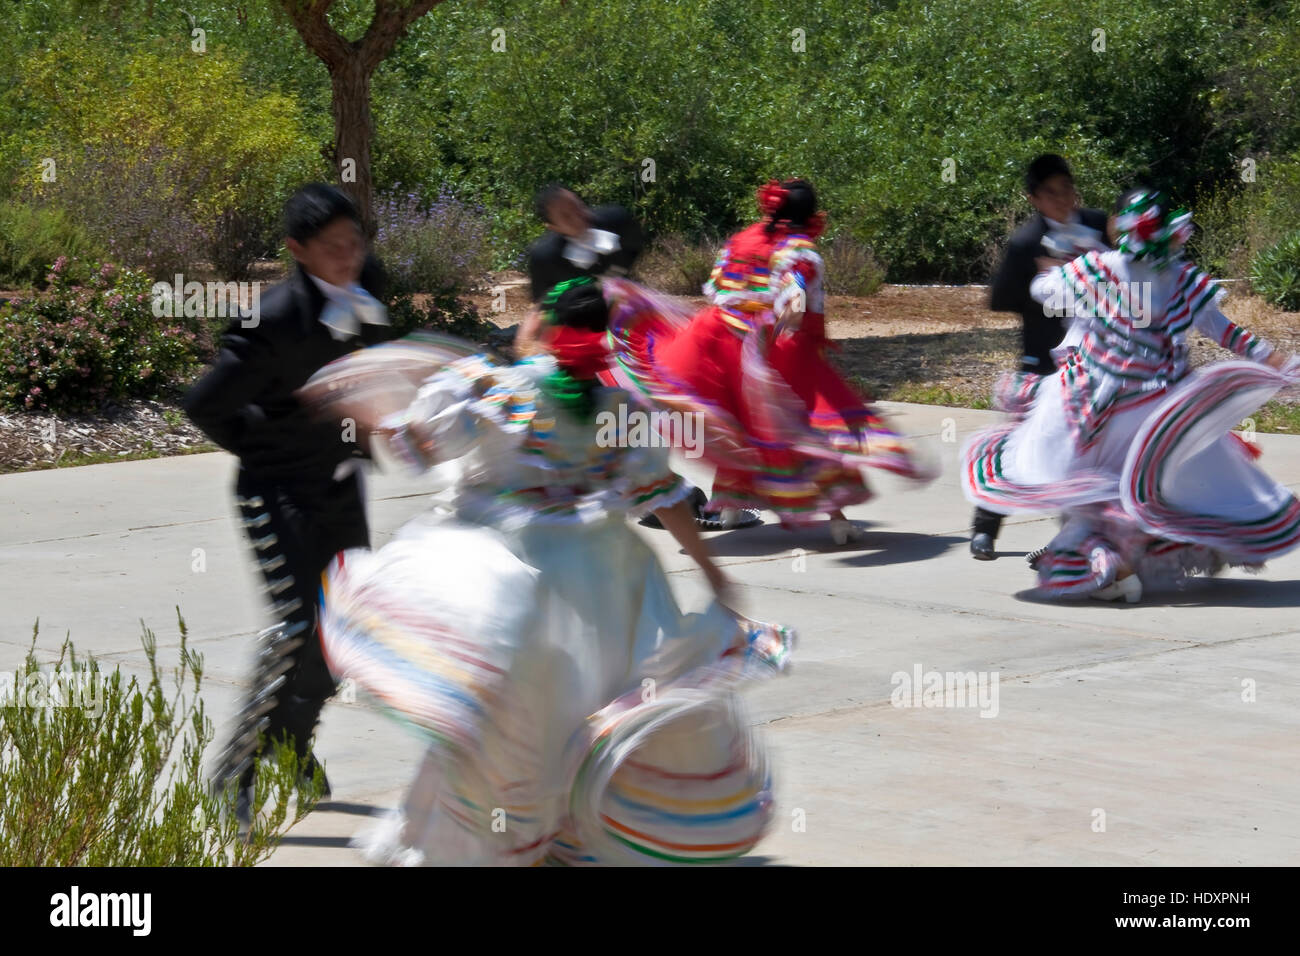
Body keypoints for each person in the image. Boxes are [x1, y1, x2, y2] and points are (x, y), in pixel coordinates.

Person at [298, 277, 792, 865]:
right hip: (612, 582)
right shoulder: (622, 408)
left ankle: (496, 842)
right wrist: (713, 574)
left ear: (545, 326)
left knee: (507, 731)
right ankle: (579, 840)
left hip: (520, 577)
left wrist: (364, 403)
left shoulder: (496, 390)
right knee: (587, 718)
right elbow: (662, 498)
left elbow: (414, 448)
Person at [961, 187, 1300, 602]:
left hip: (1092, 405)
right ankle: (1123, 565)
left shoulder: (1099, 268)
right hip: (1159, 412)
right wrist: (1277, 360)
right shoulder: (1182, 277)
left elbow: (1043, 294)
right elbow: (1226, 332)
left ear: (1117, 225)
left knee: (1091, 495)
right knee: (1167, 491)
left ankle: (1112, 568)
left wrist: (1058, 270)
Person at [183, 183, 394, 820]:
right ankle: (235, 771)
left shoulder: (369, 289)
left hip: (339, 485)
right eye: (333, 248)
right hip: (276, 492)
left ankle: (292, 741)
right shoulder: (270, 319)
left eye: (354, 242)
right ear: (297, 250)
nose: (349, 256)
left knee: (342, 630)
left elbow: (380, 366)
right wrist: (273, 450)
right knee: (296, 626)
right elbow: (204, 405)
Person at [602, 178, 932, 544]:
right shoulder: (801, 252)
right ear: (812, 213)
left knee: (738, 422)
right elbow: (795, 293)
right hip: (771, 343)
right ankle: (836, 519)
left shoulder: (742, 239)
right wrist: (785, 314)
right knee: (802, 429)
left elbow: (716, 285)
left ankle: (728, 508)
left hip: (718, 337)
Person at [972, 154, 1109, 560]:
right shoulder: (1025, 242)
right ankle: (986, 523)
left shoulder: (1100, 227)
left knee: (1088, 447)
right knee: (1019, 441)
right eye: (1051, 193)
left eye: (1067, 188)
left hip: (1097, 357)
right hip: (1043, 360)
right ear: (1033, 198)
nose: (1063, 198)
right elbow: (1000, 300)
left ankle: (1076, 535)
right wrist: (1047, 281)